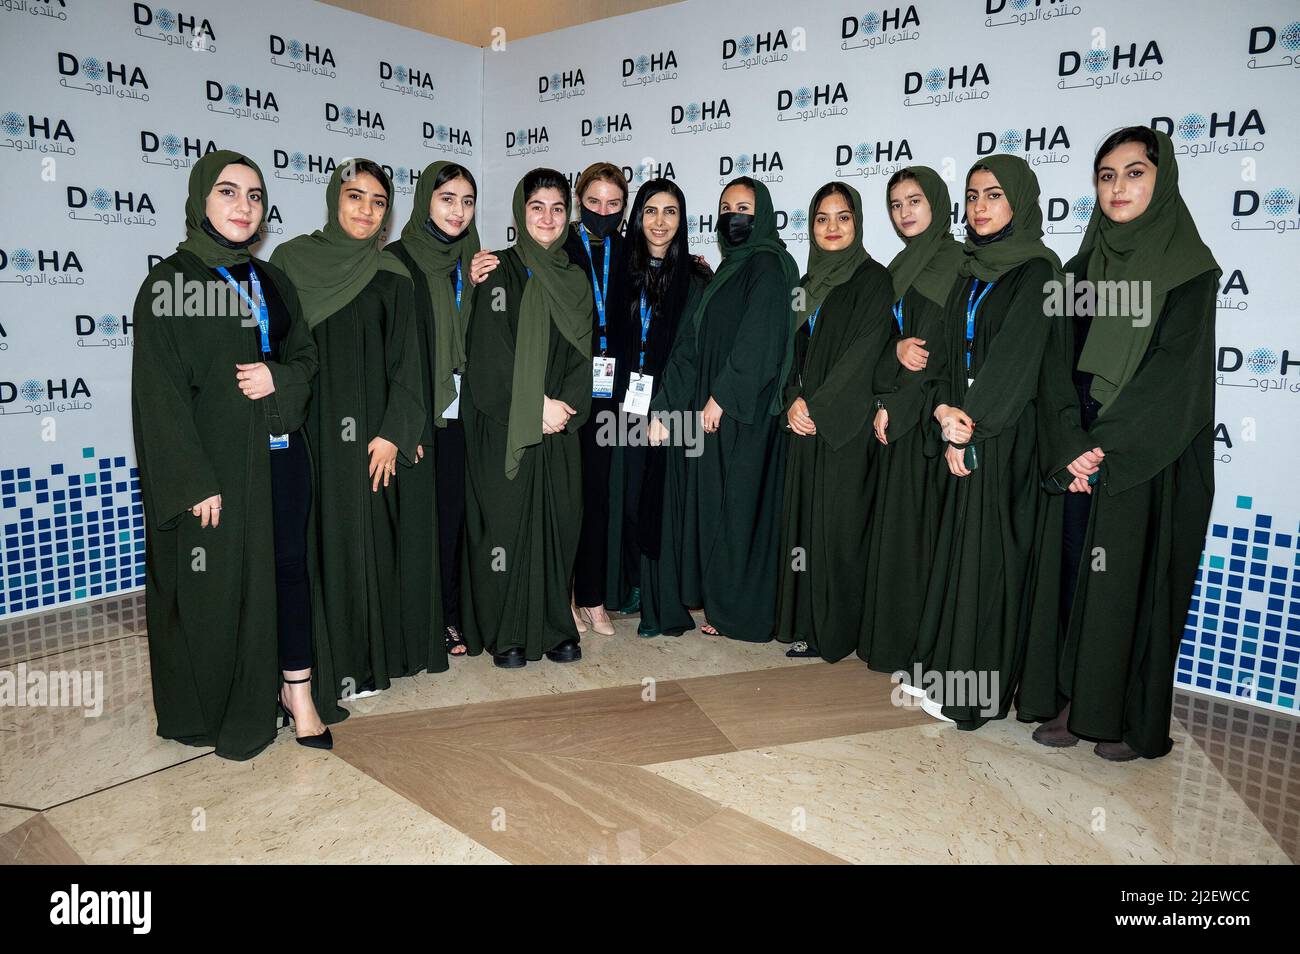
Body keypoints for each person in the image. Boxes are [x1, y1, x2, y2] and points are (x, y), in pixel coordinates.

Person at [132, 149, 344, 758]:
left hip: (282, 457)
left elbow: (306, 358)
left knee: (289, 572)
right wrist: (193, 479)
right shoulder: (171, 283)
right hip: (216, 472)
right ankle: (234, 702)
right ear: (202, 199)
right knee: (222, 587)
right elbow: (158, 394)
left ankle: (297, 693)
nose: (243, 207)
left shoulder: (272, 280)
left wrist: (280, 377)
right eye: (228, 193)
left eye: (254, 196)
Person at [1022, 127, 1219, 760]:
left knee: (1129, 583)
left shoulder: (1190, 270)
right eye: (1107, 176)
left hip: (1145, 453)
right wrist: (1070, 441)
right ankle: (1075, 698)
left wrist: (1103, 446)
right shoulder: (1078, 271)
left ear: (1162, 181)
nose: (1118, 187)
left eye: (1134, 173)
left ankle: (1126, 715)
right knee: (1078, 574)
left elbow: (1174, 373)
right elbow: (1054, 367)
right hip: (1077, 446)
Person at [270, 159, 427, 698]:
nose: (366, 210)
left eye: (378, 202)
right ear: (334, 200)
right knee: (311, 544)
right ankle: (307, 667)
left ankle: (362, 665)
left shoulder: (394, 275)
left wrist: (394, 432)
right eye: (355, 197)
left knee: (367, 544)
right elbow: (279, 350)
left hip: (373, 443)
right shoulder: (290, 262)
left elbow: (410, 362)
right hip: (309, 433)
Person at [917, 155, 1062, 727]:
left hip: (1004, 438)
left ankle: (974, 697)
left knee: (993, 563)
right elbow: (948, 355)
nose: (979, 207)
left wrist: (967, 427)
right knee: (960, 555)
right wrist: (944, 409)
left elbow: (1016, 364)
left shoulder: (1038, 271)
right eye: (972, 196)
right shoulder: (968, 270)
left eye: (993, 195)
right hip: (963, 426)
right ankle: (946, 671)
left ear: (1020, 202)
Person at [652, 177, 799, 643]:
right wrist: (666, 406)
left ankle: (743, 615)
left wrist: (722, 398)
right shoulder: (727, 269)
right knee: (721, 511)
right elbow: (694, 343)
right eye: (726, 207)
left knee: (741, 513)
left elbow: (760, 340)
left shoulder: (770, 265)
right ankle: (721, 602)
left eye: (745, 208)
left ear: (764, 215)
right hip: (714, 415)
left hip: (745, 416)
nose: (734, 216)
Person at [461, 168, 594, 669]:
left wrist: (561, 408)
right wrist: (533, 405)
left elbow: (586, 354)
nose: (547, 217)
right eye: (537, 206)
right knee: (507, 528)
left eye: (558, 208)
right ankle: (508, 632)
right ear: (521, 212)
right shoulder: (498, 271)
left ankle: (555, 626)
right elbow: (489, 355)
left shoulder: (575, 279)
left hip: (560, 426)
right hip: (506, 425)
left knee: (559, 524)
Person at [775, 182, 894, 661]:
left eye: (842, 217)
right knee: (806, 527)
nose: (831, 227)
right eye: (822, 218)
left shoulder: (873, 280)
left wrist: (818, 407)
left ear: (858, 222)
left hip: (843, 426)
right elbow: (787, 351)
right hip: (803, 422)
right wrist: (790, 401)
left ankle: (837, 631)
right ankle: (807, 623)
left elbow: (864, 355)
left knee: (839, 531)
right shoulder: (806, 287)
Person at [862, 167, 965, 678]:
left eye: (915, 201)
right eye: (896, 203)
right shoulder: (898, 267)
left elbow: (935, 357)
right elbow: (885, 347)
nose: (905, 212)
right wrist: (886, 382)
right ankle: (890, 641)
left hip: (928, 421)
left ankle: (915, 649)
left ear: (939, 204)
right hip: (895, 416)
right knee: (895, 533)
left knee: (919, 535)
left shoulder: (954, 263)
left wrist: (894, 405)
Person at [608, 179, 712, 637]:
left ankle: (661, 602)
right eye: (651, 210)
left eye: (671, 212)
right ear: (637, 217)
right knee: (627, 501)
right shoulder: (618, 270)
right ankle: (629, 586)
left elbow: (692, 353)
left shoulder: (696, 279)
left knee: (662, 505)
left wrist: (666, 412)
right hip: (622, 405)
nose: (660, 221)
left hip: (673, 408)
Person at [386, 161, 480, 661]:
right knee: (425, 521)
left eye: (467, 201)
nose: (458, 211)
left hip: (467, 416)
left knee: (458, 516)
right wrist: (407, 422)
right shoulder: (399, 261)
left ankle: (453, 611)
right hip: (423, 414)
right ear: (425, 201)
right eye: (448, 199)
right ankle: (429, 620)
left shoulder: (474, 260)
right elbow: (396, 354)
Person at [565, 162, 631, 636]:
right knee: (564, 494)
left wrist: (694, 265)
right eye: (594, 202)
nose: (603, 211)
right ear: (577, 200)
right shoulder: (558, 244)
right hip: (566, 386)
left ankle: (593, 596)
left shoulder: (630, 250)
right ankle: (562, 595)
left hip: (616, 391)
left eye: (613, 204)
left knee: (601, 495)